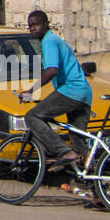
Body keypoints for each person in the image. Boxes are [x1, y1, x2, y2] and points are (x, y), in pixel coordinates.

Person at [18, 9, 92, 171]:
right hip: (84, 93)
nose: (32, 29)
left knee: (32, 116)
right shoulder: (58, 41)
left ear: (46, 24)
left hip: (71, 91)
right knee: (78, 142)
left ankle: (62, 151)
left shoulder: (49, 41)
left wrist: (31, 91)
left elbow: (52, 70)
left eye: (36, 24)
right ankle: (92, 186)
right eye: (30, 26)